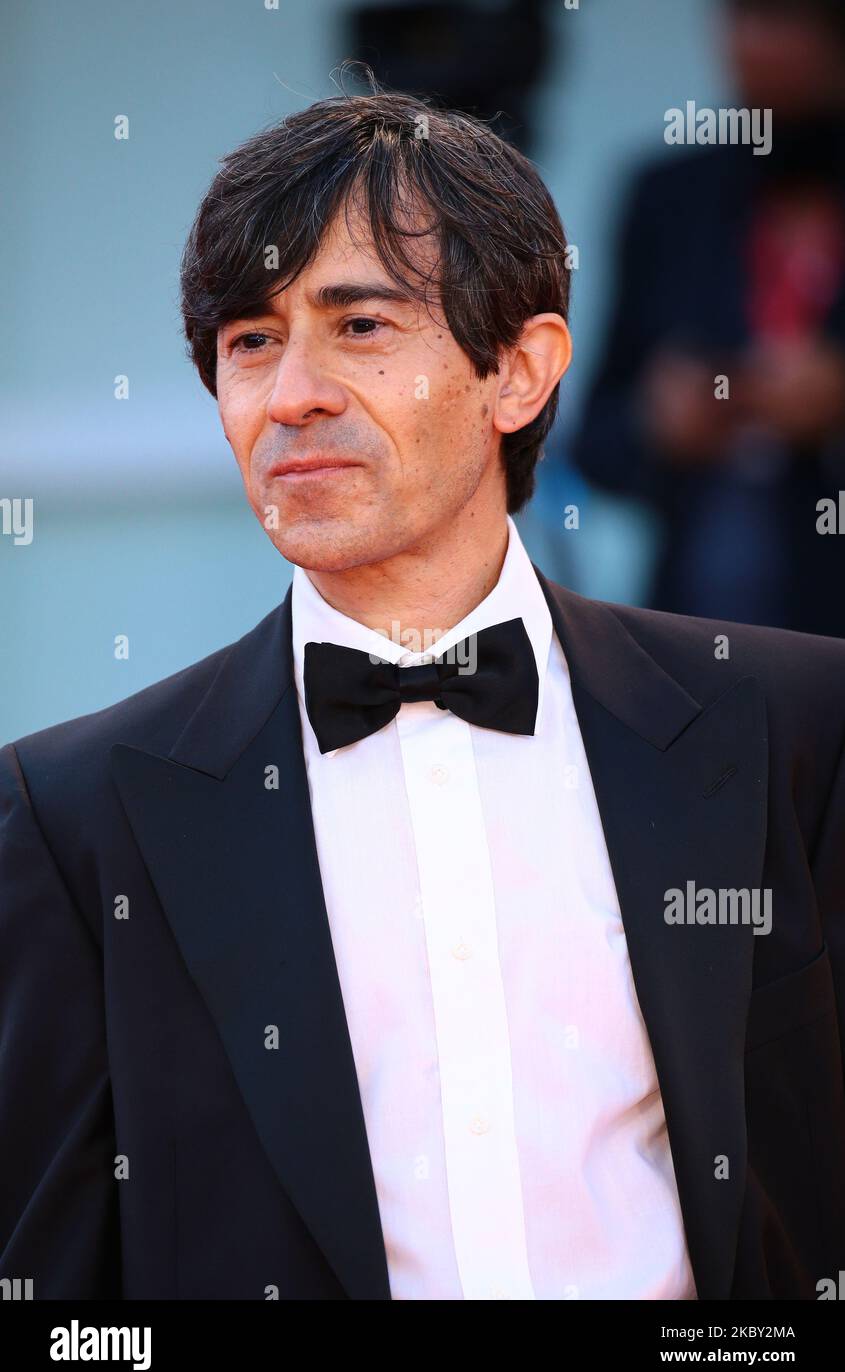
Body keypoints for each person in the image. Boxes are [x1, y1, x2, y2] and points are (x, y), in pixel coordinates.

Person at [1, 83, 844, 1303]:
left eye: (358, 327)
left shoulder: (791, 728)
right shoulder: (78, 814)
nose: (289, 395)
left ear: (520, 371)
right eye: (249, 341)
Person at [573, 0, 845, 636]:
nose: (756, 46)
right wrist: (657, 421)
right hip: (698, 635)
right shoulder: (671, 197)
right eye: (741, 17)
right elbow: (597, 439)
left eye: (785, 19)